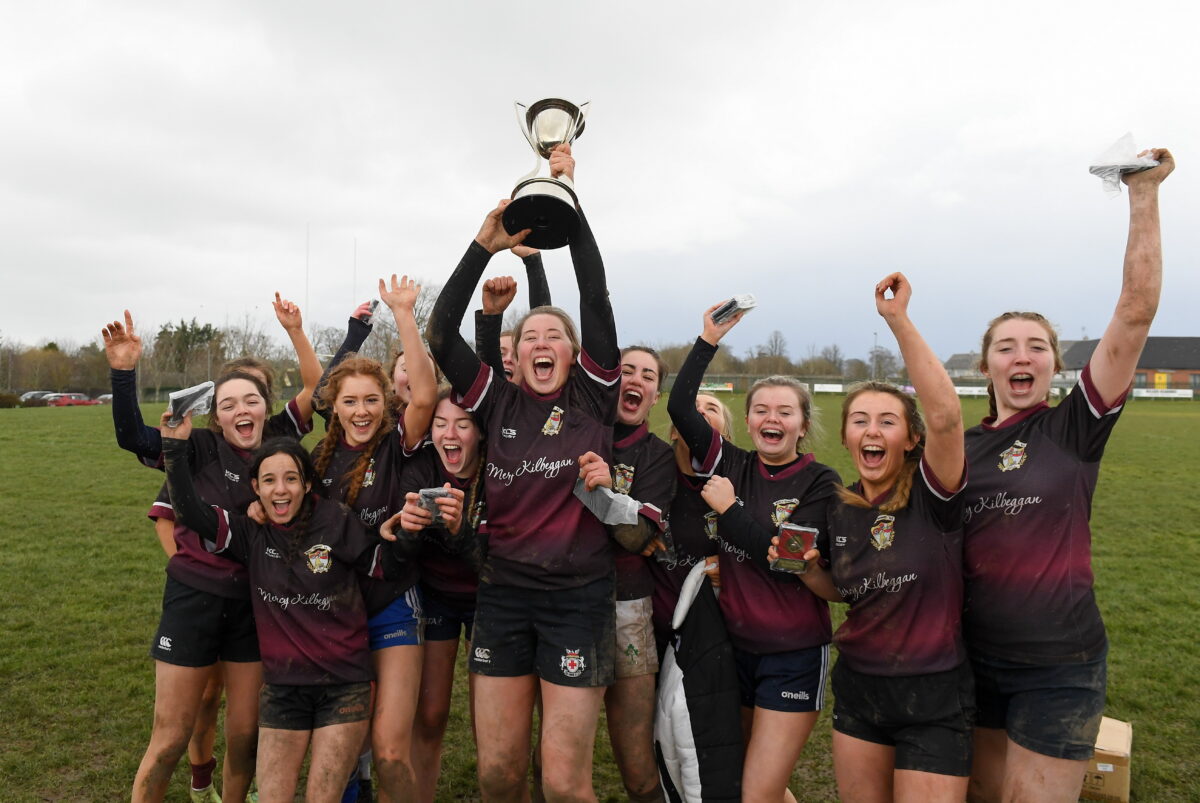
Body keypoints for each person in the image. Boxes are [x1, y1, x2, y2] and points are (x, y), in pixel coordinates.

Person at [963, 149, 1174, 803]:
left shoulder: (1073, 426)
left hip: (1060, 664)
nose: (1022, 354)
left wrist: (1142, 195)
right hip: (968, 657)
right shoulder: (957, 448)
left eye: (1037, 346)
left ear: (1056, 366)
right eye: (1007, 345)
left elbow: (1135, 310)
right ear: (986, 366)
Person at [425, 142, 622, 802]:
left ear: (575, 353)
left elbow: (592, 291)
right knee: (498, 774)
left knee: (565, 783)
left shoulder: (594, 395)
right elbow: (441, 332)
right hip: (503, 596)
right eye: (530, 335)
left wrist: (572, 195)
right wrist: (483, 243)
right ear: (518, 354)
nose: (541, 343)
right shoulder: (496, 398)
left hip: (577, 600)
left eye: (554, 336)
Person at [103, 295, 318, 803]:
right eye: (227, 404)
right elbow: (132, 436)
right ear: (215, 418)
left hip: (255, 607)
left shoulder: (280, 452)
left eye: (250, 400)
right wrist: (122, 373)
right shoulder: (197, 447)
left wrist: (296, 331)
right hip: (193, 603)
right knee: (171, 737)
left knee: (244, 738)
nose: (241, 409)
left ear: (267, 407)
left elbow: (315, 388)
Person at [776, 272, 970, 801]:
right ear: (846, 437)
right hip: (860, 688)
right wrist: (809, 568)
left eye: (888, 422)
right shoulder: (839, 508)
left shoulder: (937, 495)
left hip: (933, 693)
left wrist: (897, 320)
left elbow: (949, 418)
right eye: (860, 421)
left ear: (911, 439)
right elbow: (844, 591)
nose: (872, 431)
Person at [159, 414, 409, 803]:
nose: (281, 490)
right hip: (282, 689)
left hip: (343, 687)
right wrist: (174, 448)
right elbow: (190, 512)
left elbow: (386, 567)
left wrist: (407, 533)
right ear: (255, 487)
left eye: (291, 479)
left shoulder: (335, 521)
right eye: (270, 481)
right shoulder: (249, 531)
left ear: (307, 484)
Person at [667, 303, 839, 803]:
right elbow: (680, 409)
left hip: (794, 655)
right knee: (749, 782)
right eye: (762, 410)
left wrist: (729, 509)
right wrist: (706, 341)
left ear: (802, 425)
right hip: (733, 651)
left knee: (757, 793)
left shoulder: (820, 483)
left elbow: (785, 561)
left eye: (785, 411)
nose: (772, 419)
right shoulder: (731, 461)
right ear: (747, 419)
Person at [300, 276, 436, 802]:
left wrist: (404, 311)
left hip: (392, 605)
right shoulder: (319, 461)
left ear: (385, 403)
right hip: (333, 611)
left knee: (390, 750)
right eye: (351, 401)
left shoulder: (400, 445)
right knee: (342, 748)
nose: (361, 411)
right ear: (334, 406)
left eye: (372, 400)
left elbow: (424, 393)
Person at [576, 346, 675, 803]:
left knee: (637, 767)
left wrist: (605, 493)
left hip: (628, 607)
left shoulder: (657, 456)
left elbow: (636, 539)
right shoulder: (576, 432)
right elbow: (632, 529)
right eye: (626, 370)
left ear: (655, 394)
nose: (635, 380)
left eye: (648, 375)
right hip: (565, 601)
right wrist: (627, 515)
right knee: (556, 758)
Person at [401, 389, 488, 802]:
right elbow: (402, 550)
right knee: (431, 714)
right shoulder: (420, 468)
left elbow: (490, 562)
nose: (449, 434)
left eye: (462, 424)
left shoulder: (498, 471)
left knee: (486, 719)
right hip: (437, 596)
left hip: (490, 599)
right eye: (440, 424)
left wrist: (458, 531)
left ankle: (501, 787)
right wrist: (408, 528)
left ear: (480, 431)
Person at [649, 393, 735, 657]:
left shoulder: (736, 485)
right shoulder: (650, 477)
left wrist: (730, 564)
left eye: (712, 408)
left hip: (712, 634)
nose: (699, 414)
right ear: (675, 431)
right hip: (650, 629)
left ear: (725, 438)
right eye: (693, 407)